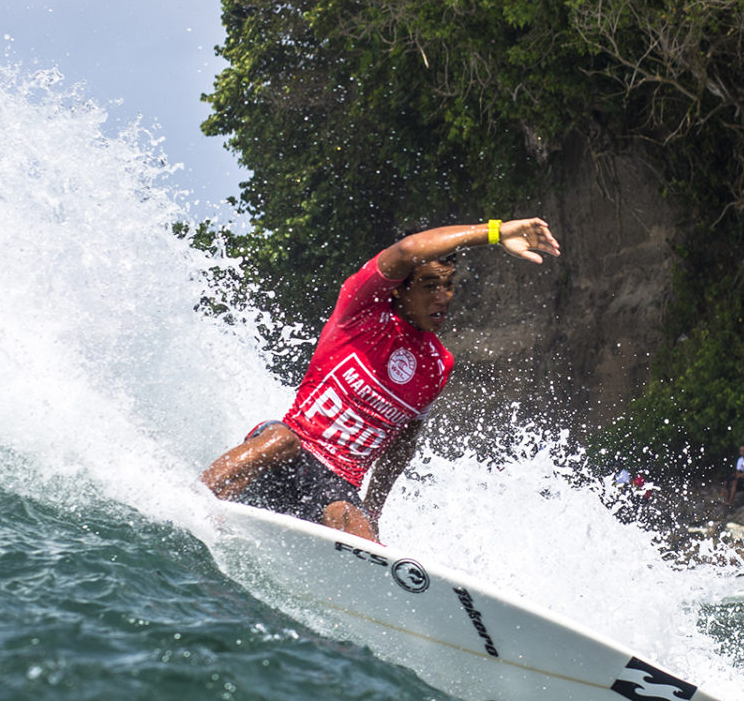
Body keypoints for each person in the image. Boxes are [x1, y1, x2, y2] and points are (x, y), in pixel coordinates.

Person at [200, 218, 561, 541]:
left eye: (449, 286)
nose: (442, 297)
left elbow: (404, 440)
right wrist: (495, 232)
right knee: (279, 440)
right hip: (291, 451)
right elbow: (407, 250)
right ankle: (192, 502)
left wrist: (372, 510)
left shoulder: (438, 364)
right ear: (399, 289)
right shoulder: (361, 309)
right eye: (429, 285)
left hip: (336, 485)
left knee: (357, 528)